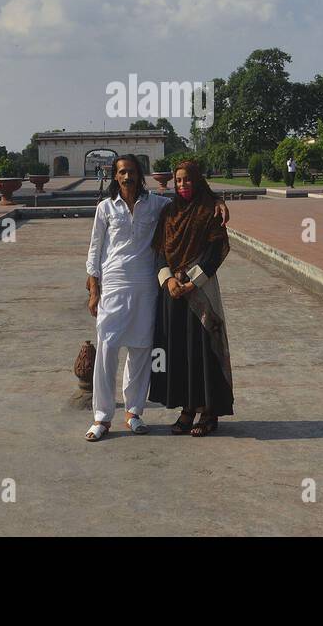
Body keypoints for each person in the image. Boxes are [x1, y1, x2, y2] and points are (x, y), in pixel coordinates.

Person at [84, 155, 230, 441]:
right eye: (122, 172)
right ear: (115, 176)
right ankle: (101, 417)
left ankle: (134, 412)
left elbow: (193, 196)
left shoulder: (157, 205)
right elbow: (94, 249)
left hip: (147, 286)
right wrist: (93, 289)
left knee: (141, 350)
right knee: (107, 349)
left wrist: (218, 201)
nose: (127, 177)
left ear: (140, 176)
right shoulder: (105, 208)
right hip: (114, 284)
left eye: (132, 172)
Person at [148, 160, 234, 437]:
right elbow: (159, 251)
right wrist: (168, 280)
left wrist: (191, 281)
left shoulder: (209, 211)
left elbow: (215, 251)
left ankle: (208, 410)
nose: (183, 184)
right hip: (173, 292)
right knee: (179, 351)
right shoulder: (169, 212)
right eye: (178, 180)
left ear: (197, 180)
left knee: (203, 350)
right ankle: (187, 407)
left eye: (187, 179)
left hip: (200, 290)